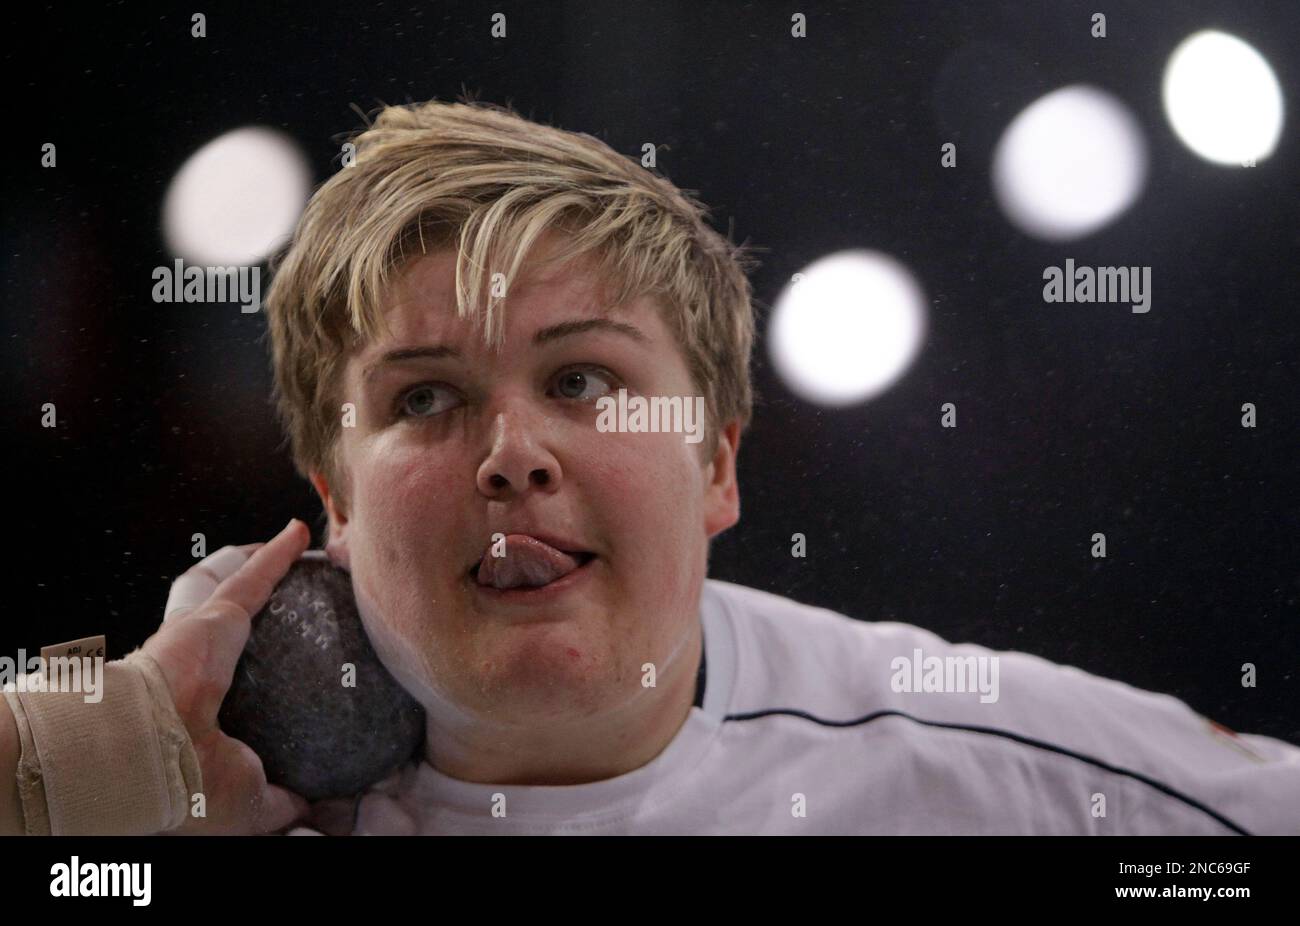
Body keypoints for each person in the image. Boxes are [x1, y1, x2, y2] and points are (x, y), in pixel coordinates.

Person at [3, 99, 1298, 836]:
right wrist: (61, 779)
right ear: (332, 497)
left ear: (717, 462)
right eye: (427, 396)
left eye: (582, 380)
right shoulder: (164, 808)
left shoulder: (1019, 778)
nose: (512, 454)